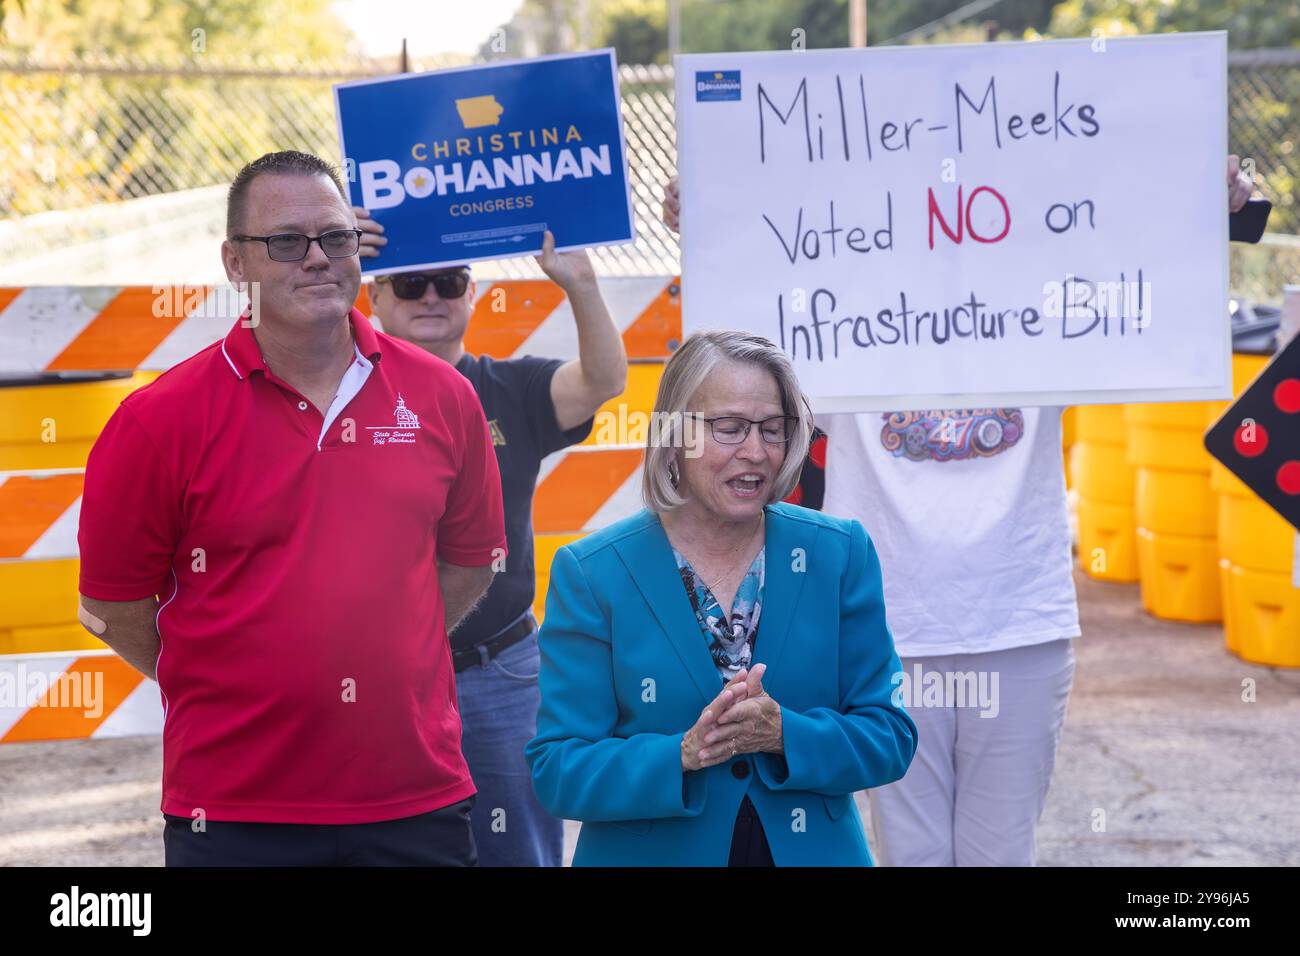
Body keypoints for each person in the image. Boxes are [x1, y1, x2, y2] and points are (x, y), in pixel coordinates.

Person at [658, 155, 1269, 866]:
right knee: (911, 855)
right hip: (882, 633)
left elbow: (1150, 307)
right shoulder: (842, 323)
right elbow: (748, 313)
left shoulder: (1045, 321)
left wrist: (1210, 218)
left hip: (1019, 626)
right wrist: (706, 228)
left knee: (998, 853)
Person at [76, 150, 506, 866]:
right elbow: (112, 608)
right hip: (234, 811)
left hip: (414, 802)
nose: (317, 258)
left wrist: (383, 642)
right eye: (285, 241)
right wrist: (230, 678)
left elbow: (470, 562)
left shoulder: (443, 397)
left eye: (336, 238)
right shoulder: (156, 421)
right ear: (234, 262)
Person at [524, 330, 917, 866]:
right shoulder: (593, 573)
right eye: (729, 428)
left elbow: (889, 736)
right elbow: (559, 771)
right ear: (672, 436)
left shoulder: (838, 553)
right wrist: (680, 755)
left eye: (772, 430)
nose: (755, 452)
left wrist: (786, 734)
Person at [355, 210, 628, 866]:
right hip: (375, 673)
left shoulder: (514, 389)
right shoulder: (343, 391)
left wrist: (581, 285)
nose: (430, 297)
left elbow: (603, 381)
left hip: (497, 669)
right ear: (375, 296)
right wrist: (337, 263)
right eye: (411, 282)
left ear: (472, 294)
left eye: (448, 282)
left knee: (518, 853)